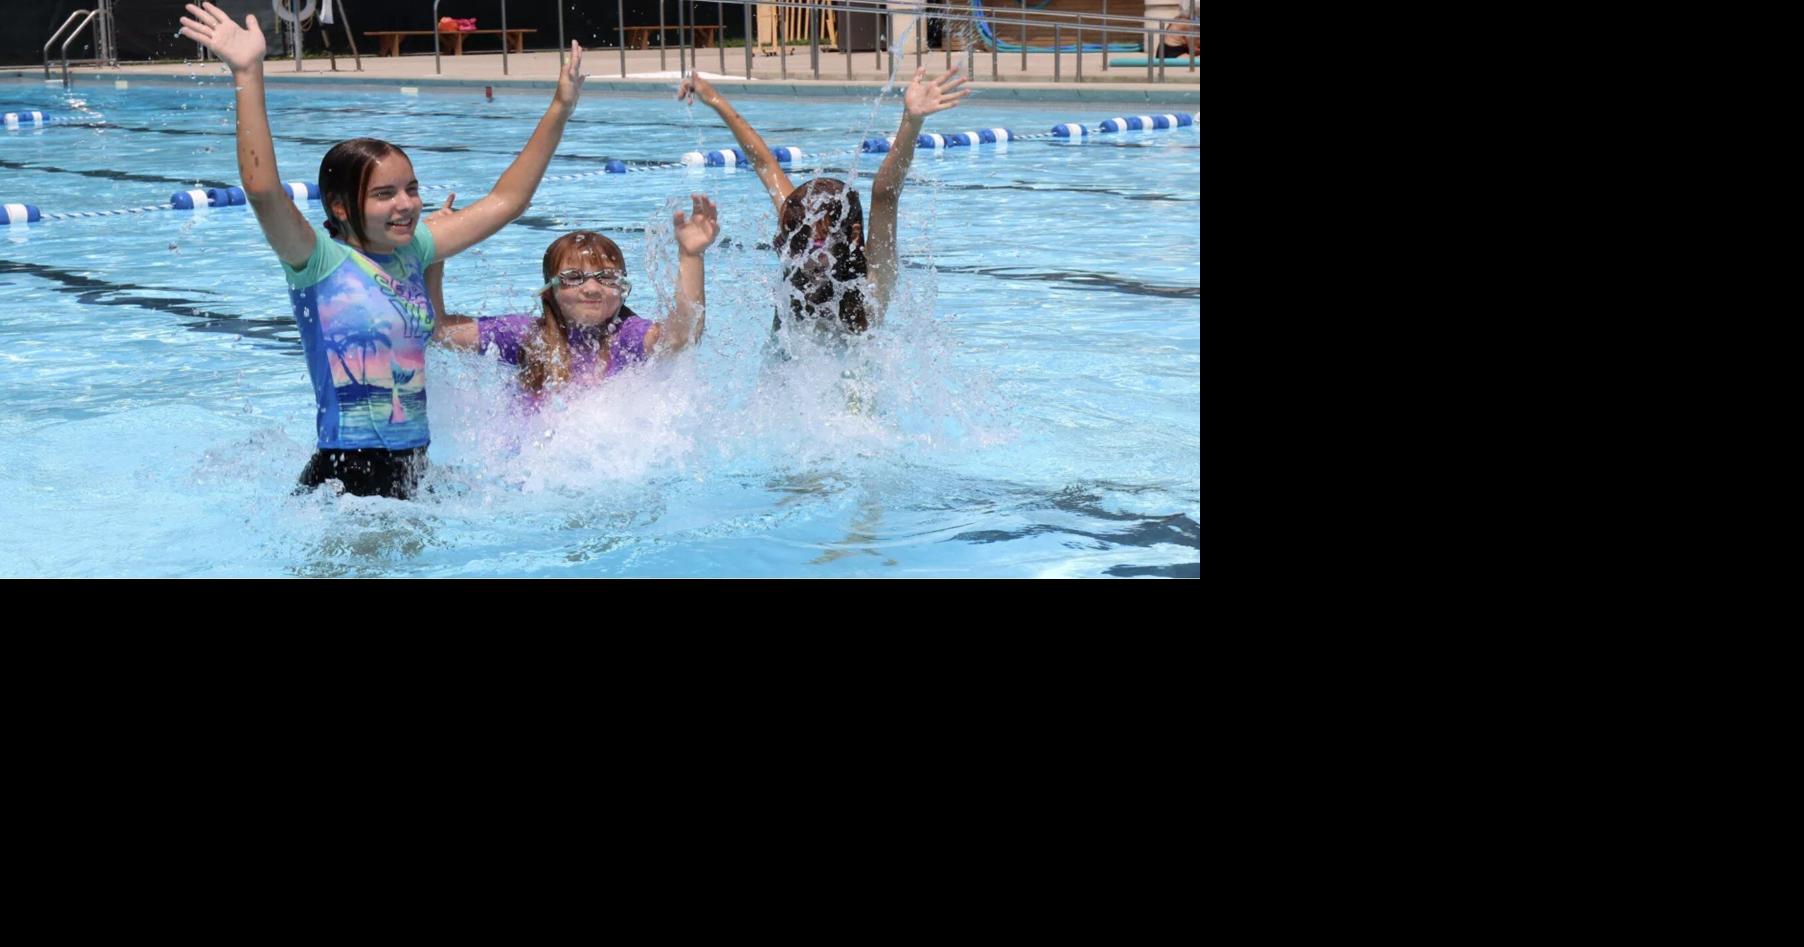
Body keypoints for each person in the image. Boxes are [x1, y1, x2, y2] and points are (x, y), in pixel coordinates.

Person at [178, 2, 588, 498]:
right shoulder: (319, 263)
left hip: (414, 465)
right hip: (346, 477)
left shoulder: (414, 250)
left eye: (411, 189)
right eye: (384, 194)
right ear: (341, 206)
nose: (406, 205)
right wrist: (248, 73)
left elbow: (508, 200)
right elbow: (264, 189)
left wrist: (560, 107)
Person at [675, 66, 967, 336]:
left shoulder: (872, 283)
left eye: (817, 241)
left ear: (850, 235)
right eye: (797, 238)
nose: (807, 255)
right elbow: (763, 163)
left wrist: (911, 121)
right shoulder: (799, 244)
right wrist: (713, 98)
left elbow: (885, 193)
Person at [426, 195, 721, 403]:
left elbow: (684, 335)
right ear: (550, 290)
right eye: (573, 277)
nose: (592, 289)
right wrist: (435, 250)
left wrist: (691, 256)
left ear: (623, 288)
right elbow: (439, 330)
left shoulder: (628, 338)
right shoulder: (528, 338)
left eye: (607, 277)